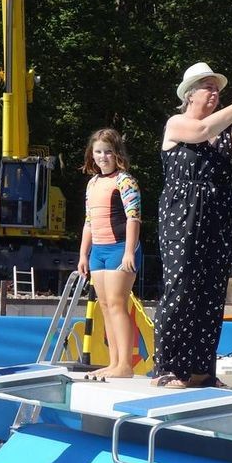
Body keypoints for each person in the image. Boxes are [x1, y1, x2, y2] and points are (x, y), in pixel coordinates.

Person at [153, 63, 232, 388]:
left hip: (217, 214)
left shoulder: (226, 131)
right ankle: (169, 367)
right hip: (183, 212)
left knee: (211, 290)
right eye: (208, 86)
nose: (215, 92)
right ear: (190, 94)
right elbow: (200, 132)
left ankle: (200, 369)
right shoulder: (178, 123)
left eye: (216, 88)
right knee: (181, 286)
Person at [77, 128, 143, 378]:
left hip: (119, 249)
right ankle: (114, 362)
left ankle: (125, 365)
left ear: (117, 154)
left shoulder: (125, 180)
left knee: (117, 304)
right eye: (98, 152)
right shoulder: (93, 183)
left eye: (108, 152)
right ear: (91, 154)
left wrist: (129, 251)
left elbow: (133, 217)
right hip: (98, 251)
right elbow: (88, 221)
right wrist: (83, 255)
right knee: (104, 305)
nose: (102, 156)